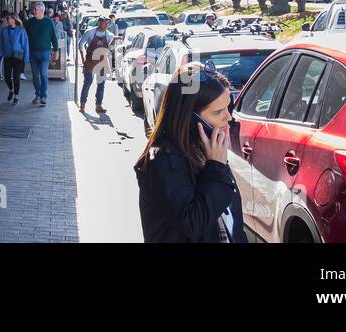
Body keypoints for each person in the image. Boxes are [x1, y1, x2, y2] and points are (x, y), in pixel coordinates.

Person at [134, 62, 246, 242]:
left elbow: (231, 220)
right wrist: (216, 168)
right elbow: (192, 223)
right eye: (218, 112)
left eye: (228, 107)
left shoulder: (205, 150)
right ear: (190, 118)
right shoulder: (161, 159)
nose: (228, 117)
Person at [77, 14, 116, 114]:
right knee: (87, 83)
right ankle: (82, 105)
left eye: (107, 23)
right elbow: (80, 45)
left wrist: (114, 42)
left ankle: (98, 105)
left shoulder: (109, 35)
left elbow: (110, 48)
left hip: (102, 61)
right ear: (99, 22)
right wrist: (83, 61)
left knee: (101, 84)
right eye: (104, 22)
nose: (106, 24)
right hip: (90, 60)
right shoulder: (90, 32)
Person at [23, 1, 58, 107]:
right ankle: (38, 94)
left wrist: (56, 51)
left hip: (45, 53)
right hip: (33, 53)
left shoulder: (49, 22)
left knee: (43, 74)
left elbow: (54, 37)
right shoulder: (30, 22)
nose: (33, 11)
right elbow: (25, 37)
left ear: (41, 10)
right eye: (33, 9)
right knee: (35, 76)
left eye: (35, 9)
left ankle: (44, 96)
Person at [0, 13, 29, 104]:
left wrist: (26, 58)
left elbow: (25, 44)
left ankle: (16, 96)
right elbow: (0, 44)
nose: (7, 20)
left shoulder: (21, 30)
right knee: (7, 76)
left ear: (14, 19)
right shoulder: (4, 30)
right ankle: (12, 89)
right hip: (8, 56)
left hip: (18, 56)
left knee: (16, 77)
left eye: (9, 19)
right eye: (7, 19)